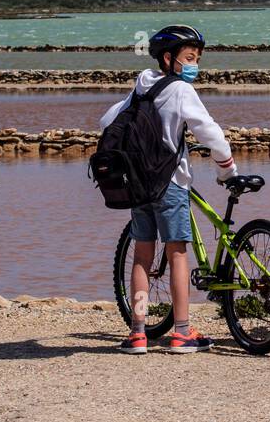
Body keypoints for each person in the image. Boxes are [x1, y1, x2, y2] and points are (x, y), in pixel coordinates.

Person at [101, 25, 237, 354]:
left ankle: (138, 333)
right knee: (177, 254)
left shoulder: (142, 85)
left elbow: (107, 121)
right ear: (168, 58)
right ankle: (182, 332)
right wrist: (227, 169)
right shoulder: (180, 90)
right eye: (189, 58)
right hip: (170, 183)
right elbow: (210, 132)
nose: (195, 65)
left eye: (198, 59)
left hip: (139, 184)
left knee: (141, 257)